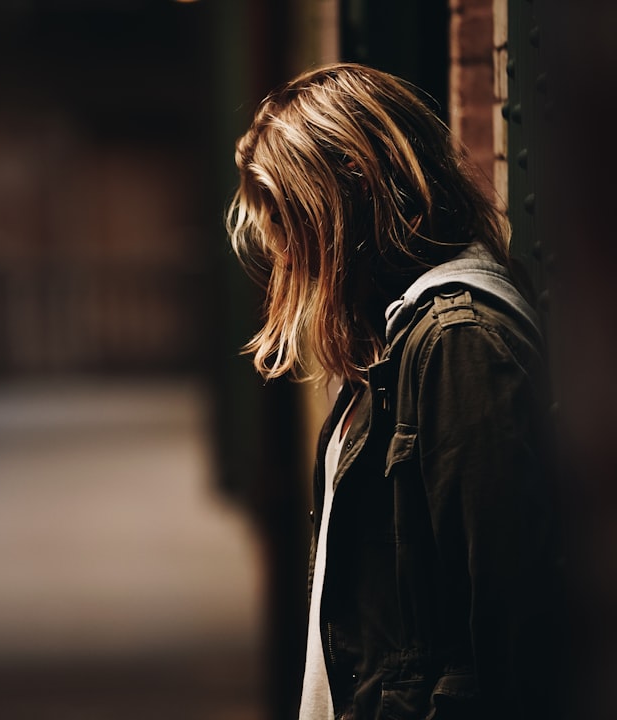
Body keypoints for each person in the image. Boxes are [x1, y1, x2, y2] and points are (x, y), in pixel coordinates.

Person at [227, 63, 563, 720]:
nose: (288, 256)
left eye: (291, 219)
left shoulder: (457, 343)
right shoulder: (397, 340)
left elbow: (510, 631)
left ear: (352, 185)